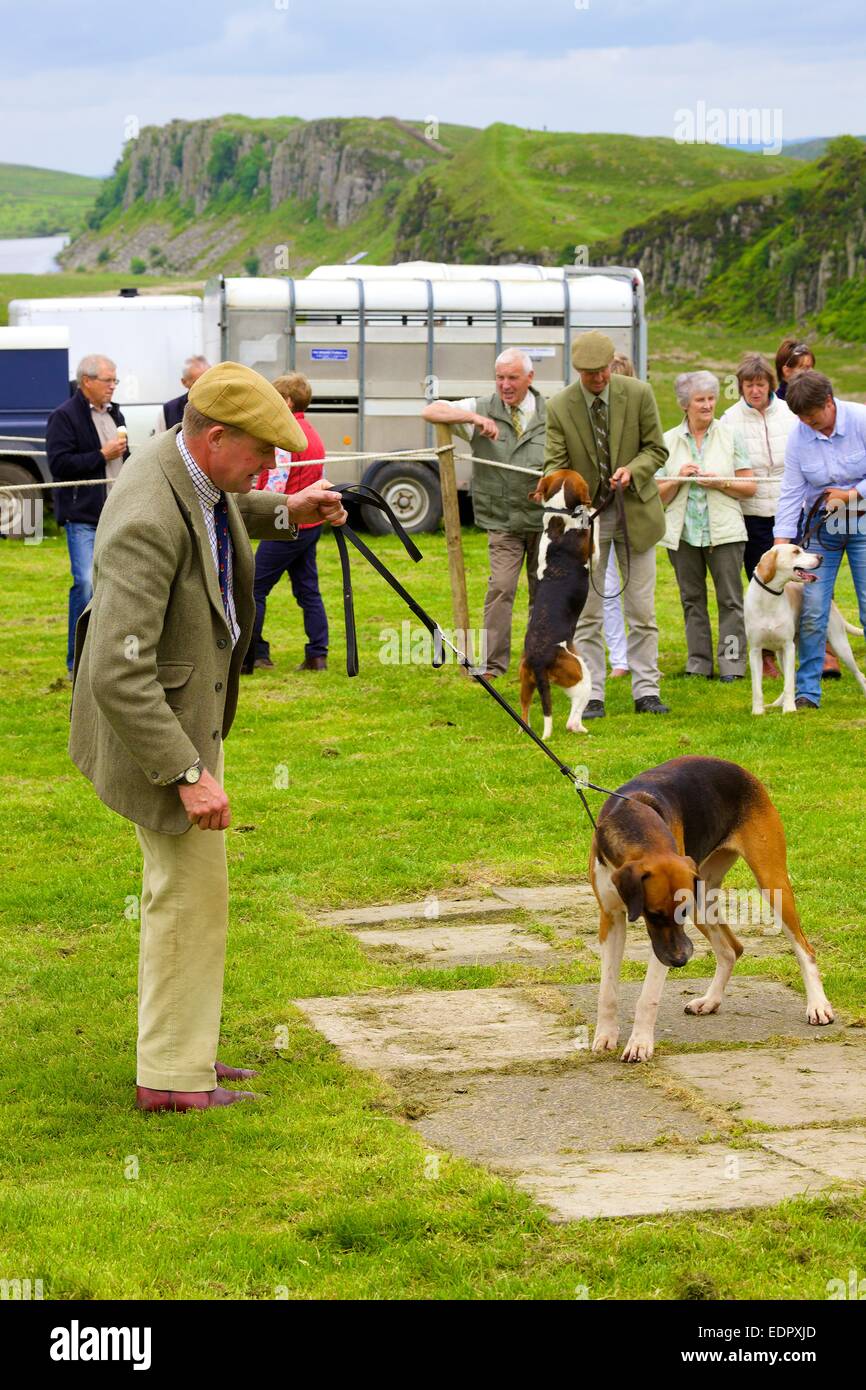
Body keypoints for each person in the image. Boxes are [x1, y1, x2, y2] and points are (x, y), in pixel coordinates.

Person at [68, 362, 347, 1112]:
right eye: (261, 452)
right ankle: (171, 1081)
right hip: (155, 732)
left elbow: (223, 508)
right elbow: (117, 672)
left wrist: (292, 509)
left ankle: (183, 1054)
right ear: (216, 435)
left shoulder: (188, 466)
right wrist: (188, 773)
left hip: (184, 715)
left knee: (194, 894)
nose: (268, 466)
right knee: (187, 898)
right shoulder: (144, 516)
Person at [543, 330, 670, 717]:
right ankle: (592, 691)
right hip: (586, 522)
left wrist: (633, 470)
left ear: (611, 365)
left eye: (602, 371)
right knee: (588, 611)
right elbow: (553, 465)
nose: (597, 379)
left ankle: (646, 690)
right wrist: (573, 488)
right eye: (589, 373)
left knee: (642, 610)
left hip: (636, 515)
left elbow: (657, 449)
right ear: (578, 371)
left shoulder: (639, 393)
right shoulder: (560, 406)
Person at [421, 348, 546, 678]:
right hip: (502, 521)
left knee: (543, 593)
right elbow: (432, 410)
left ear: (529, 379)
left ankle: (539, 662)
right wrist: (473, 419)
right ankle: (492, 666)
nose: (505, 385)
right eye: (500, 377)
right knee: (502, 588)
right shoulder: (483, 407)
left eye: (512, 378)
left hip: (544, 521)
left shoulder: (552, 413)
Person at [774, 369, 866, 710]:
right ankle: (807, 692)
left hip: (862, 522)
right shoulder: (799, 437)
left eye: (813, 418)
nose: (810, 425)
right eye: (803, 420)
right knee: (812, 608)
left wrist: (852, 493)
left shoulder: (861, 419)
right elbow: (790, 491)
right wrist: (781, 543)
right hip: (821, 527)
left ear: (829, 402)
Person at [657, 371, 756, 681]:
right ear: (685, 404)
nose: (707, 405)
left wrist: (720, 482)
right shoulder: (668, 441)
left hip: (725, 532)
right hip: (684, 535)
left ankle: (731, 665)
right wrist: (678, 477)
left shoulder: (731, 436)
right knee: (692, 600)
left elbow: (750, 486)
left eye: (711, 398)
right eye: (700, 399)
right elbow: (656, 496)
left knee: (730, 600)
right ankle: (698, 665)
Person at [46, 354, 129, 678]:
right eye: (108, 380)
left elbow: (125, 457)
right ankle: (76, 663)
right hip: (83, 517)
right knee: (84, 584)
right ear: (87, 382)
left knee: (122, 587)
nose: (113, 386)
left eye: (114, 380)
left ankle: (113, 658)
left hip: (119, 513)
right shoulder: (63, 417)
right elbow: (60, 466)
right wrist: (101, 455)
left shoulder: (115, 412)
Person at [242, 373, 329, 673]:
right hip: (309, 527)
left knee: (253, 588)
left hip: (284, 525)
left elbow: (274, 490)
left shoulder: (284, 436)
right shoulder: (312, 433)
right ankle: (318, 655)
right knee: (308, 591)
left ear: (288, 401)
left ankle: (252, 656)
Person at [722, 352, 797, 678]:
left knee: (799, 582)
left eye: (760, 384)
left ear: (771, 384)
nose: (755, 390)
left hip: (789, 510)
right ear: (740, 387)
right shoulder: (729, 419)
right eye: (748, 385)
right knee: (761, 585)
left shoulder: (790, 413)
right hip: (751, 514)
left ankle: (815, 650)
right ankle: (765, 654)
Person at [604, 352, 636, 678]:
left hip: (634, 512)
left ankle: (640, 656)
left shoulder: (639, 414)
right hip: (603, 511)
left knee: (638, 591)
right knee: (609, 585)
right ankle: (620, 659)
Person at [156, 355, 211, 431]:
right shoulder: (169, 410)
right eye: (197, 383)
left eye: (208, 381)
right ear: (184, 382)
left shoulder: (223, 405)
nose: (204, 387)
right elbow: (160, 440)